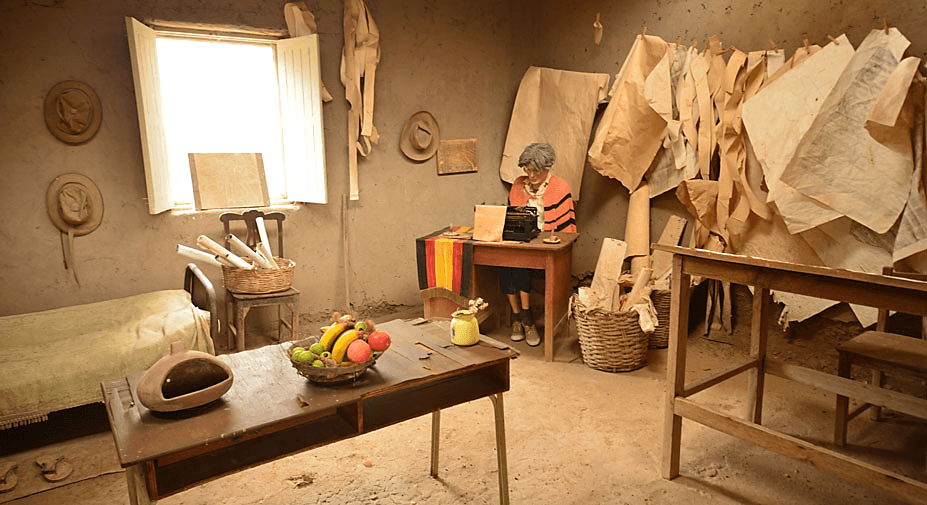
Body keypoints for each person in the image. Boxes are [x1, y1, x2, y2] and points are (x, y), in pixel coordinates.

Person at [500, 142, 576, 346]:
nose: (531, 175)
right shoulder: (518, 185)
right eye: (528, 169)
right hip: (523, 246)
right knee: (505, 265)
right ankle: (520, 317)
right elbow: (510, 220)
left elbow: (568, 232)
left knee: (521, 266)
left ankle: (527, 318)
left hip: (548, 254)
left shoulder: (560, 187)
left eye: (537, 171)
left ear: (548, 168)